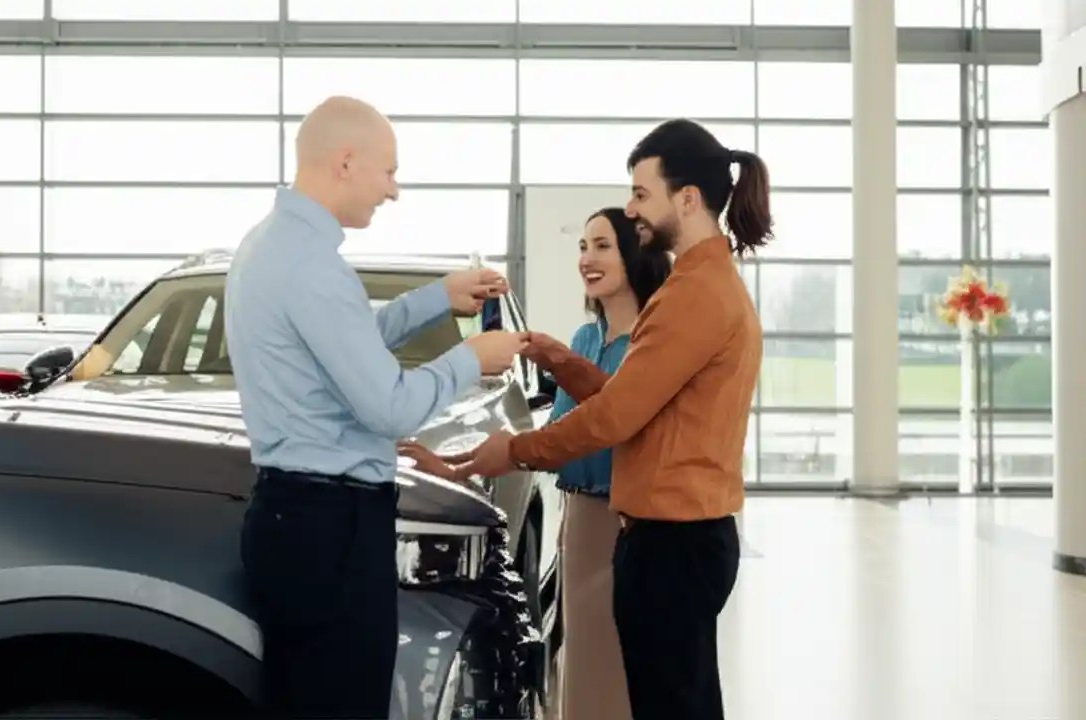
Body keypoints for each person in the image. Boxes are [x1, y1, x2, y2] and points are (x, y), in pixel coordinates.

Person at [455, 118, 773, 720]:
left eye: (641, 194)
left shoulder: (693, 294)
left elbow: (618, 415)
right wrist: (559, 359)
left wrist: (519, 450)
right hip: (684, 538)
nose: (632, 210)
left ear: (687, 199)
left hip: (672, 545)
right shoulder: (704, 284)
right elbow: (635, 399)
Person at [225, 95, 529, 719]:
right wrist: (473, 358)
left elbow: (348, 340)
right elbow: (389, 406)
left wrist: (437, 298)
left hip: (296, 521)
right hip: (331, 530)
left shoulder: (270, 245)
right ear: (345, 163)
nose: (392, 191)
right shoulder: (312, 267)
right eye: (388, 171)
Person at [524, 207, 670, 720]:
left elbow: (623, 430)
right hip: (577, 518)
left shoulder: (654, 346)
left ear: (635, 255)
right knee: (579, 654)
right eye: (583, 247)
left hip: (627, 519)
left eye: (602, 245)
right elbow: (565, 433)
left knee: (614, 659)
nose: (587, 258)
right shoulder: (584, 340)